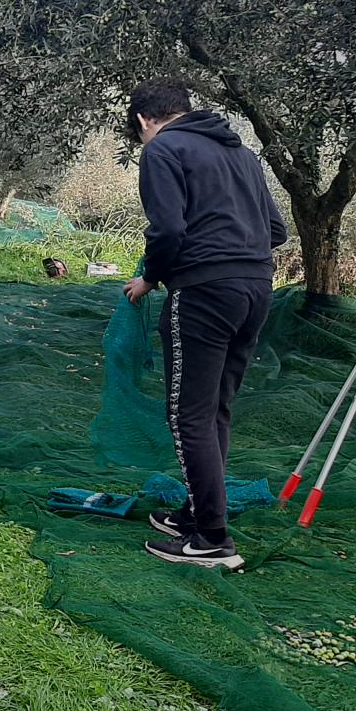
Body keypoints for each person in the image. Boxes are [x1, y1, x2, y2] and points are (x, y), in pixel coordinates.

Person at [122, 79, 288, 570]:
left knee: (187, 413)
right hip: (256, 289)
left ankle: (213, 538)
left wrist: (150, 277)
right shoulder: (243, 155)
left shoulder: (163, 149)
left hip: (204, 292)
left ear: (142, 121)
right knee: (215, 409)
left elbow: (169, 229)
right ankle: (197, 514)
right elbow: (275, 230)